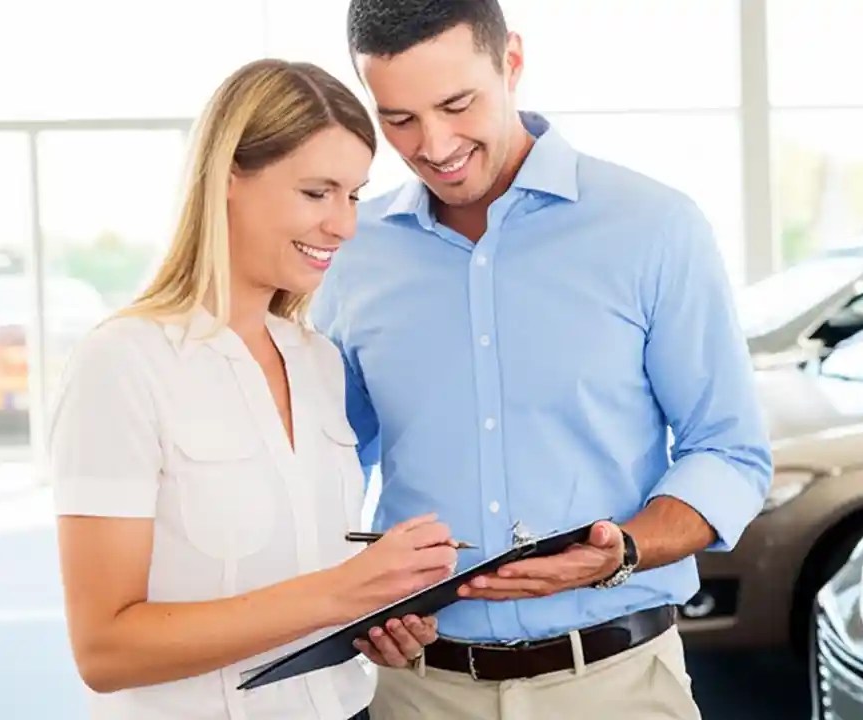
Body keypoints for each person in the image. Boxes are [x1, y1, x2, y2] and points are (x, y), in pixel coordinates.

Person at [310, 2, 774, 718]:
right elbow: (330, 463)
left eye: (457, 104)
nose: (433, 144)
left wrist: (622, 550)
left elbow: (731, 452)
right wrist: (355, 597)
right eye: (398, 118)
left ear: (512, 62)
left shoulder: (653, 227)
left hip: (619, 686)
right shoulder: (354, 252)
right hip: (421, 692)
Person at [48, 58, 460, 720]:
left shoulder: (318, 361)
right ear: (229, 178)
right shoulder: (122, 363)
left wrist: (377, 615)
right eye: (317, 192)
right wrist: (342, 592)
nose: (344, 225)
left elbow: (301, 587)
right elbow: (105, 650)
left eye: (353, 195)